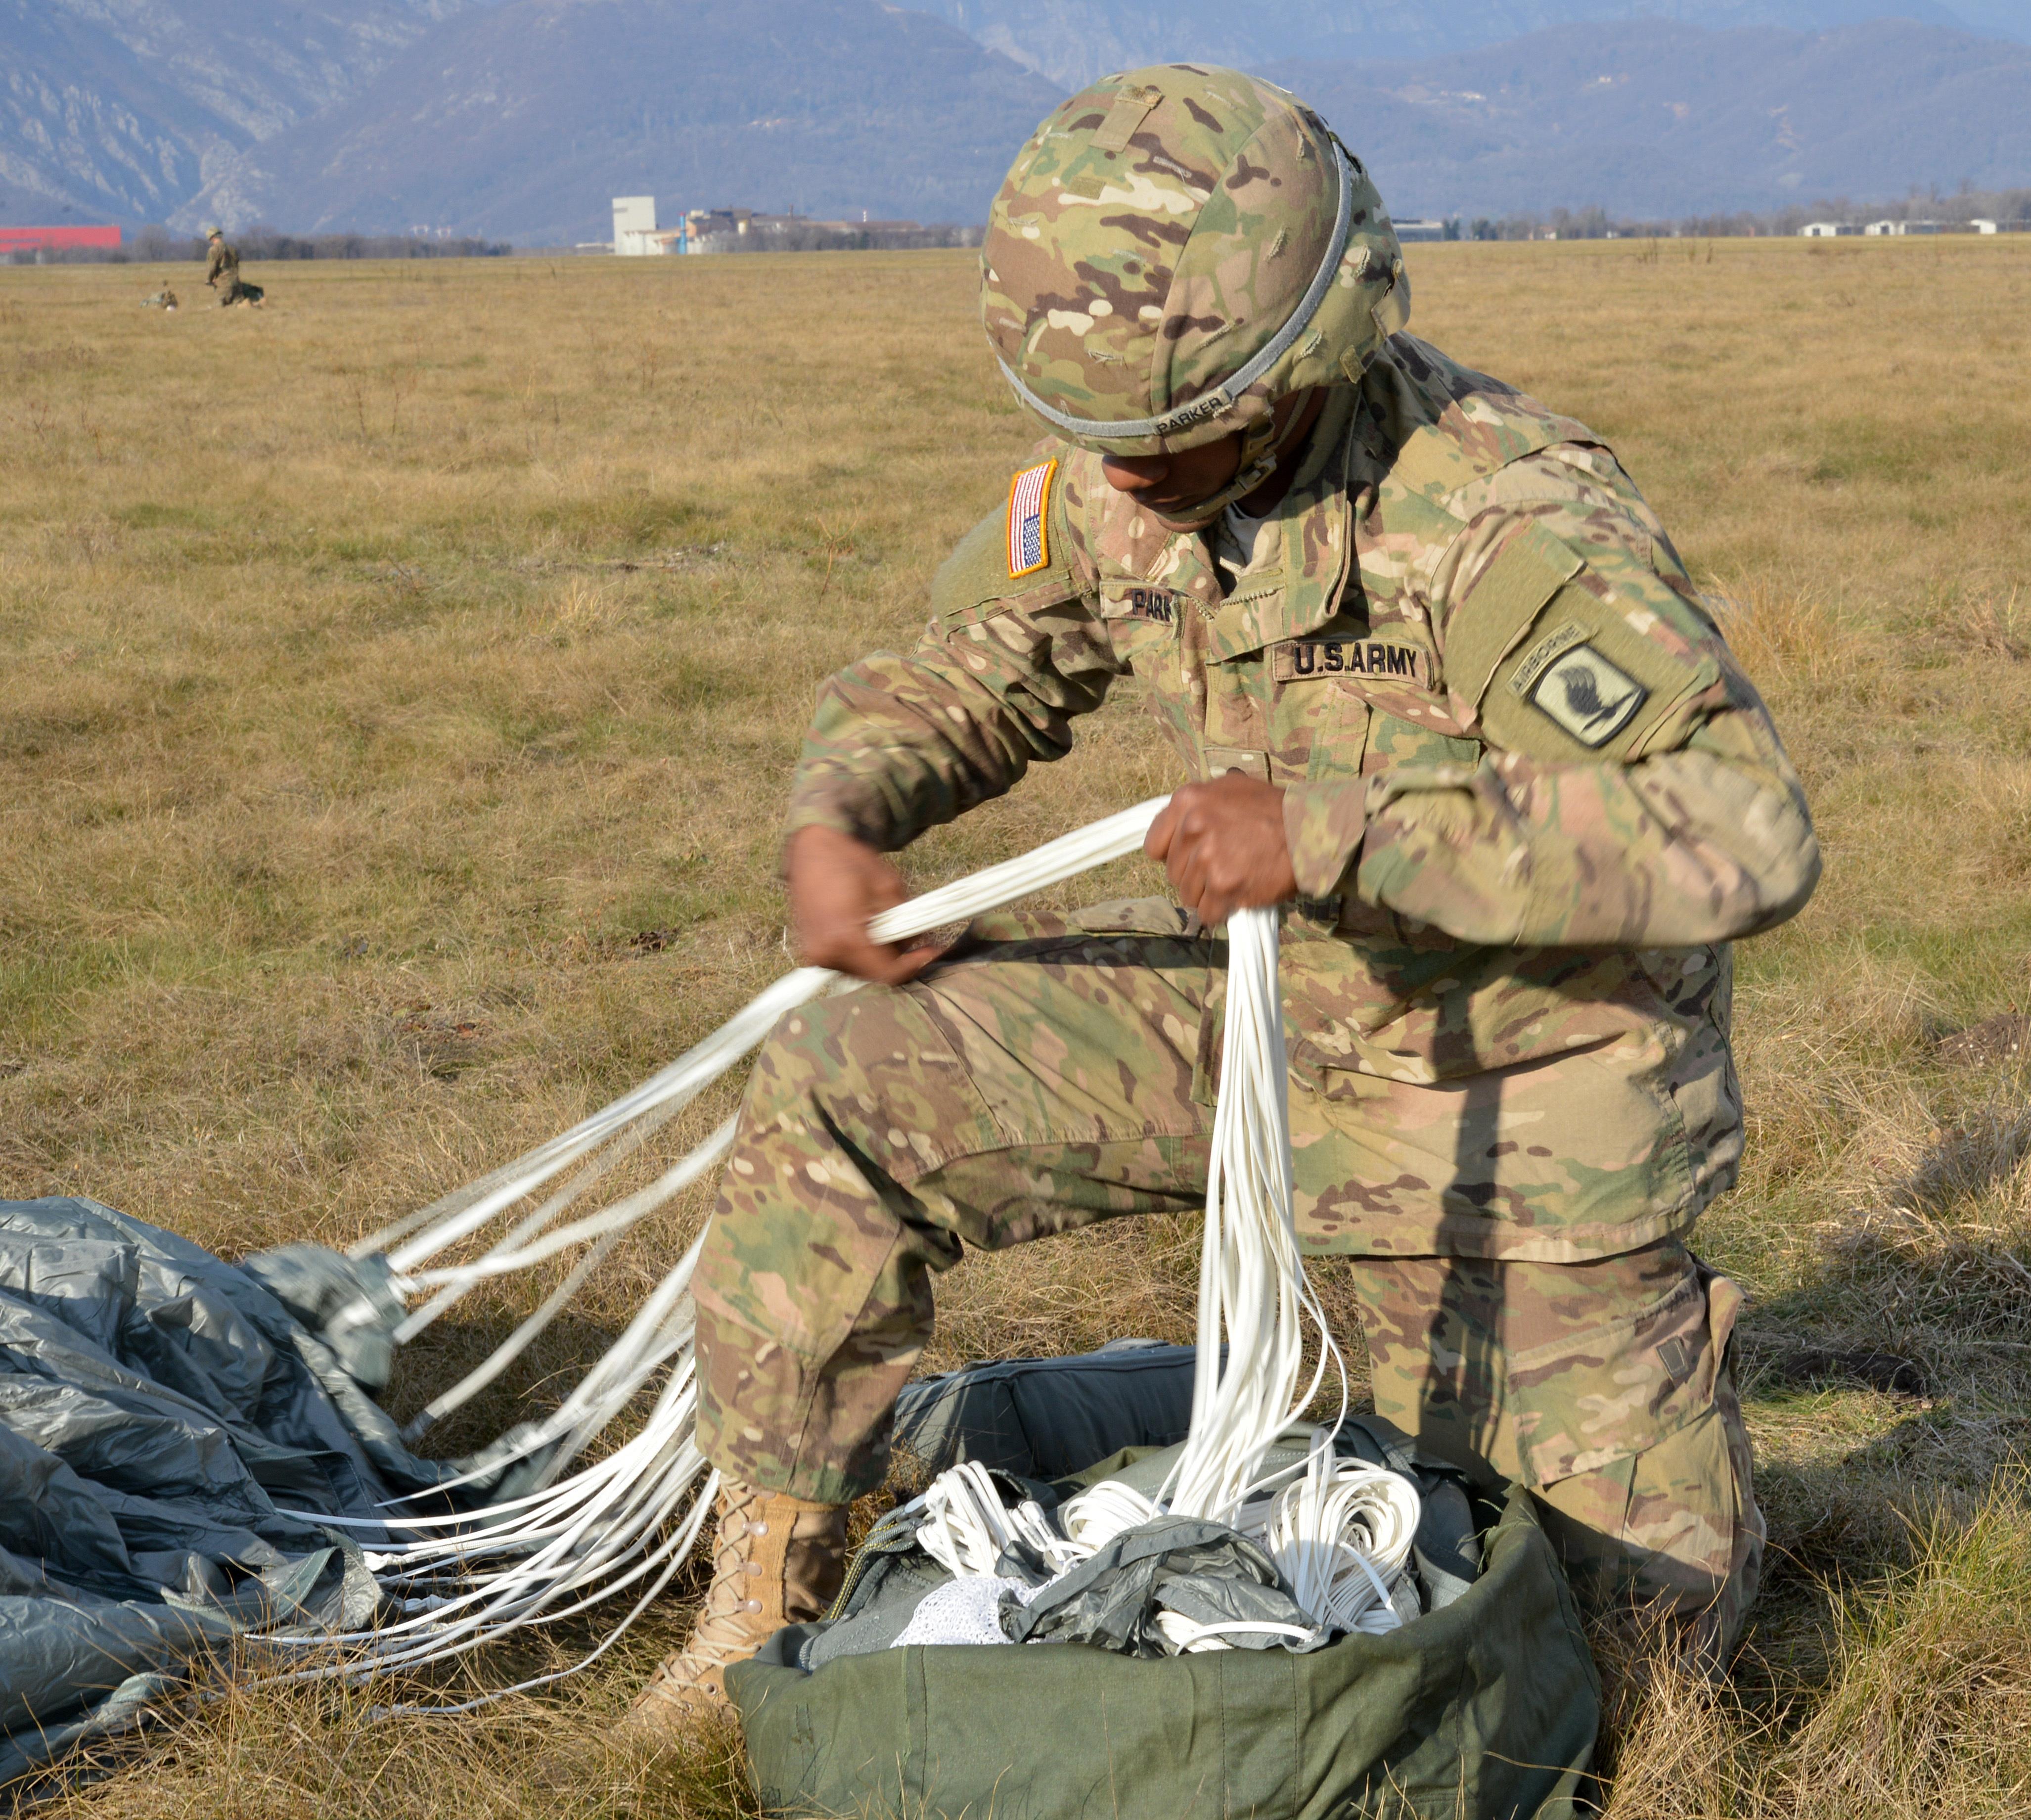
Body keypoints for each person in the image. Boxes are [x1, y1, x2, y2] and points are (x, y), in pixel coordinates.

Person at [626, 64, 1821, 1727]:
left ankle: (1636, 1377)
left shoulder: (1502, 514)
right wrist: (841, 812)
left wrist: (1332, 831)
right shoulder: (1131, 471)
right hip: (1244, 1027)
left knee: (1616, 1654)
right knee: (844, 1075)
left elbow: (1742, 829)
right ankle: (772, 1588)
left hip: (1517, 1102)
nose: (1121, 480)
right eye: (1097, 438)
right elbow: (974, 662)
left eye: (1168, 442)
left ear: (1303, 367)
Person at [203, 228, 261, 307]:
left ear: (212, 237)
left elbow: (213, 268)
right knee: (238, 306)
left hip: (223, 284)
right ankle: (257, 306)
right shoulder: (232, 249)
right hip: (236, 283)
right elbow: (236, 265)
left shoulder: (213, 250)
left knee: (218, 309)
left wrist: (209, 280)